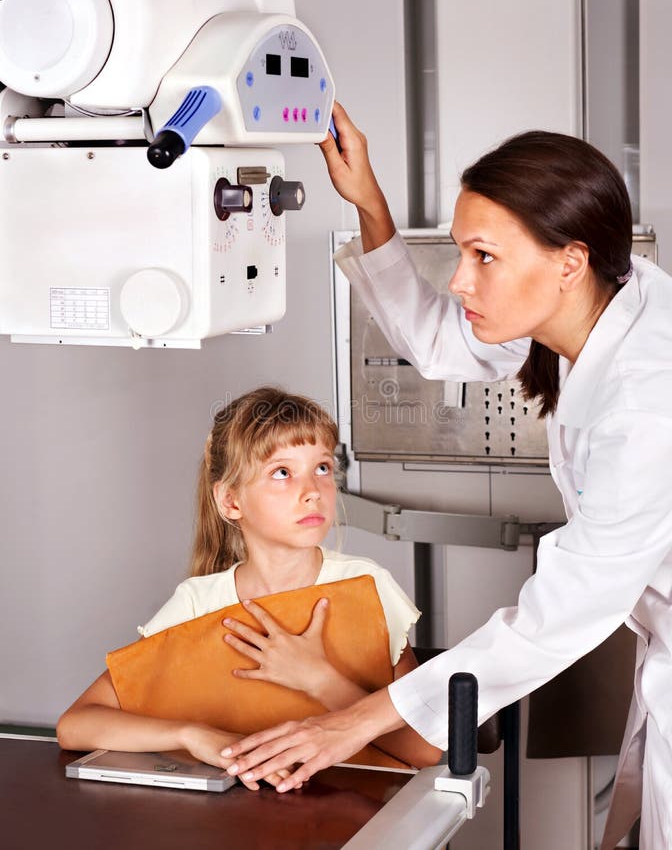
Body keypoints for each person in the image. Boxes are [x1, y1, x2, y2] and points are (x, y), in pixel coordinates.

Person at [221, 105, 672, 849]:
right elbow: (439, 343)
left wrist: (348, 724)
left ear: (569, 259)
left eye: (484, 257)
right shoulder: (609, 293)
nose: (461, 280)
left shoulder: (647, 402)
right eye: (462, 253)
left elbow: (551, 622)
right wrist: (366, 199)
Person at [57, 386, 441, 787]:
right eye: (282, 473)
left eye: (322, 468)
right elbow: (76, 725)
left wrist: (318, 679)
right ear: (230, 502)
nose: (312, 491)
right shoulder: (197, 603)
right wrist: (194, 736)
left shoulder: (367, 587)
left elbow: (421, 749)